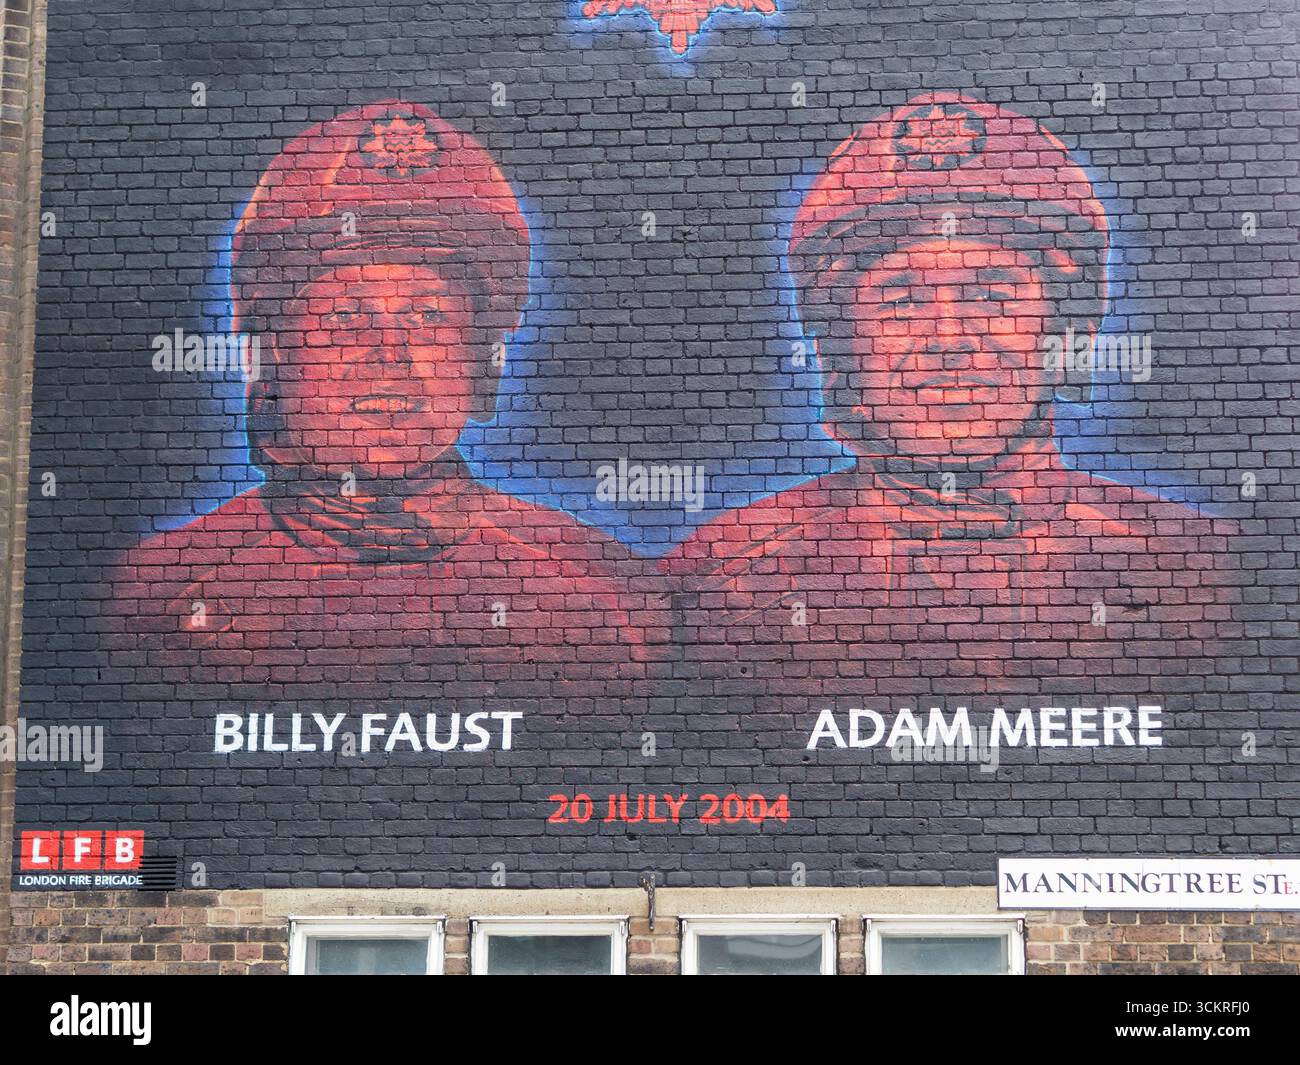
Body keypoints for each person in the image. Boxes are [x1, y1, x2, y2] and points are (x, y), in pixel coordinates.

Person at [663, 93, 1240, 687]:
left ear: (1068, 331)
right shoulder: (716, 583)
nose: (949, 338)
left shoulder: (1204, 569)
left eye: (992, 295)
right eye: (902, 300)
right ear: (840, 345)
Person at [113, 101, 663, 678]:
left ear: (481, 363)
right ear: (270, 357)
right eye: (346, 317)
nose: (390, 353)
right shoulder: (151, 599)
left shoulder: (612, 601)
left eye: (428, 318)